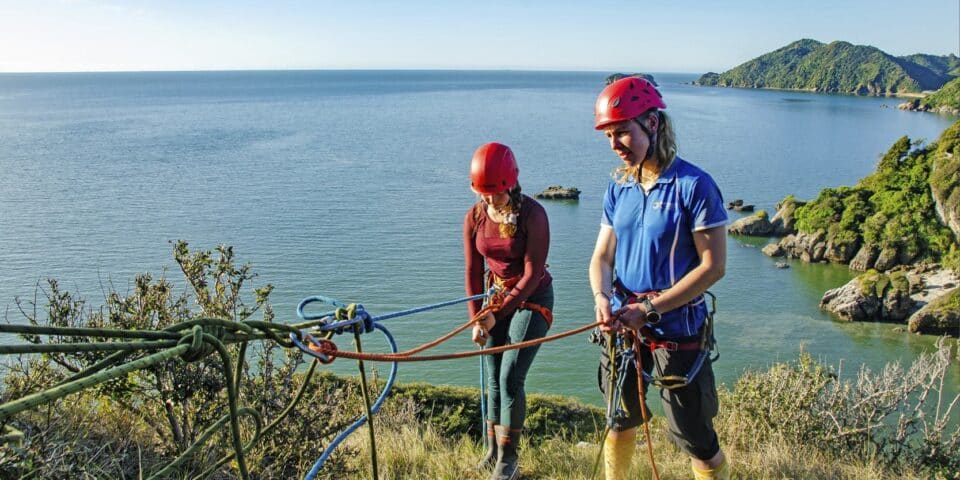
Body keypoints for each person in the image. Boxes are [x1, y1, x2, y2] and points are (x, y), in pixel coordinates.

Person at [588, 76, 731, 480]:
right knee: (619, 417)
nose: (615, 144)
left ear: (652, 124)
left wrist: (649, 308)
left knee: (694, 435)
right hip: (622, 325)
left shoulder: (694, 186)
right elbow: (602, 255)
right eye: (609, 135)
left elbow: (713, 267)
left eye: (623, 133)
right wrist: (602, 296)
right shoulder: (619, 188)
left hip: (677, 331)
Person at [463, 142, 553, 480]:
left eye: (495, 194)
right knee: (492, 375)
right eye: (483, 193)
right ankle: (492, 452)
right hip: (496, 300)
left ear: (510, 184)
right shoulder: (474, 217)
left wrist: (494, 316)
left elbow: (531, 275)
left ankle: (508, 461)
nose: (488, 200)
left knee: (510, 377)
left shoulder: (533, 214)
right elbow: (473, 272)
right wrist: (477, 318)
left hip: (533, 297)